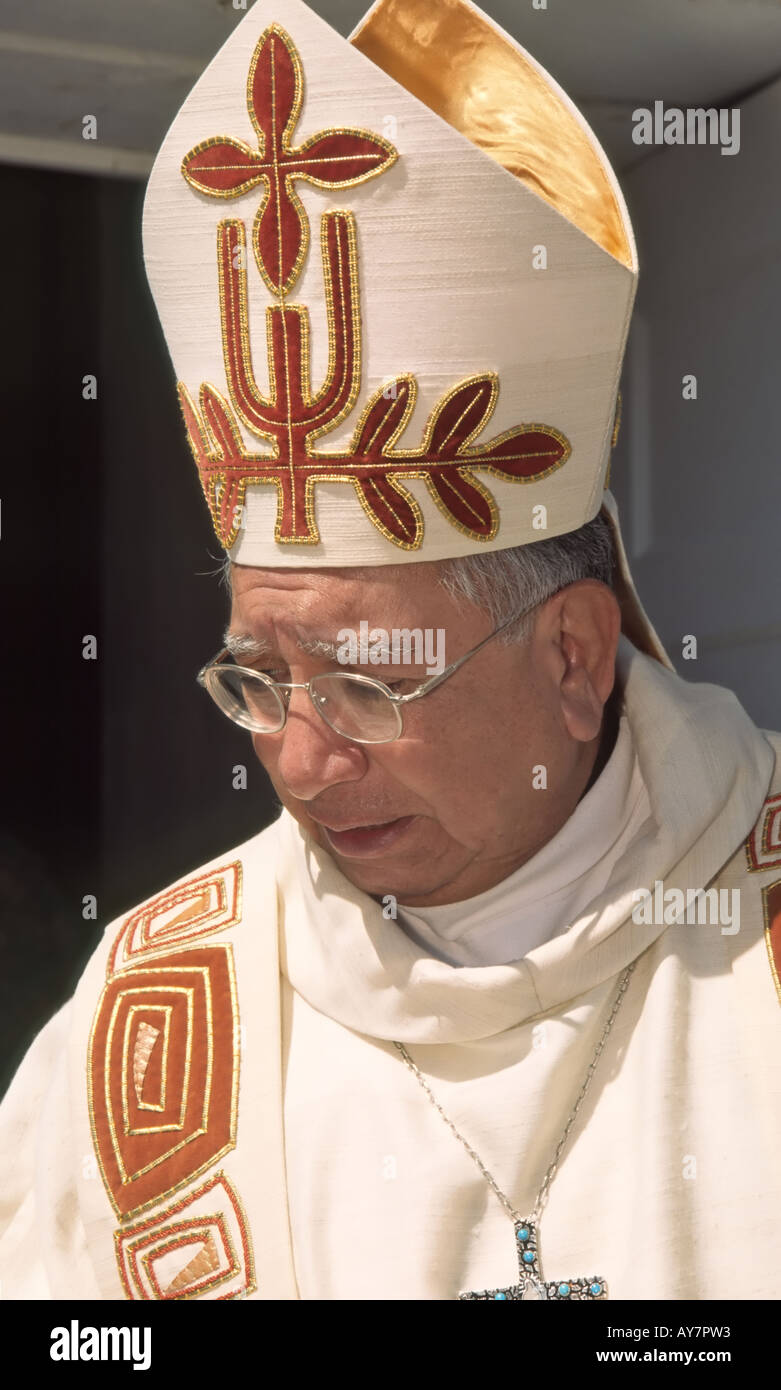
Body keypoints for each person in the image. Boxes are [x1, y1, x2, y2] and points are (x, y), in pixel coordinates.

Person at [1, 0, 779, 1302]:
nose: (299, 761)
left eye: (370, 680)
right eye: (256, 677)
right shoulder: (144, 1012)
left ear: (575, 656)